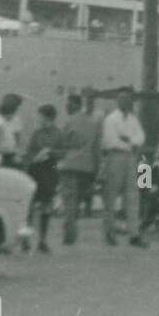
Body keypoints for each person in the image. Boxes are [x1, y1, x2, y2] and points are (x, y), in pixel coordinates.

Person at [100, 87, 147, 247]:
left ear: (131, 101)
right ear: (117, 100)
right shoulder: (111, 119)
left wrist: (130, 140)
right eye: (121, 98)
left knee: (133, 196)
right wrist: (129, 141)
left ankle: (134, 234)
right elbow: (111, 140)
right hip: (115, 157)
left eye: (128, 98)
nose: (124, 101)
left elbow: (141, 137)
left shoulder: (133, 119)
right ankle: (109, 233)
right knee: (111, 196)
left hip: (131, 158)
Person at [58, 93, 101, 246]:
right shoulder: (92, 122)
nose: (66, 107)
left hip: (70, 165)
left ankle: (69, 235)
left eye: (68, 104)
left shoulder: (69, 121)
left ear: (75, 104)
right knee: (76, 202)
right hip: (87, 168)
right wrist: (96, 169)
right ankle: (73, 228)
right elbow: (96, 147)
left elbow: (61, 142)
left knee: (69, 200)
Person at [24, 104, 65, 253]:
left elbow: (63, 152)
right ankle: (25, 239)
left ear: (47, 117)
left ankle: (42, 240)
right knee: (29, 206)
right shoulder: (37, 133)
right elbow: (29, 151)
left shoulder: (58, 134)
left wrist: (51, 152)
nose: (38, 119)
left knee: (46, 206)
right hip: (35, 170)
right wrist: (33, 157)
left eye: (40, 116)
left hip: (50, 170)